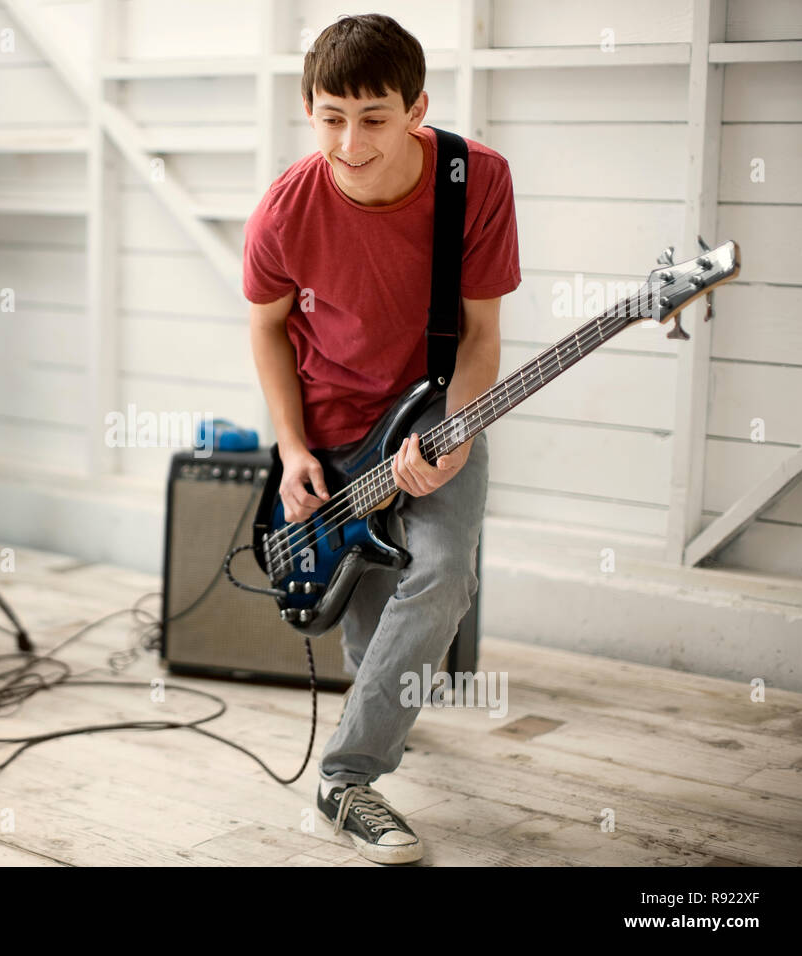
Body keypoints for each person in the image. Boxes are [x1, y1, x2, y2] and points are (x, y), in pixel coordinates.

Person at [243, 14, 520, 864]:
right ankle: (385, 709)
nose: (350, 141)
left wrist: (461, 432)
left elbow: (480, 336)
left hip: (437, 403)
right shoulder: (285, 209)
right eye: (330, 116)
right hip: (328, 429)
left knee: (439, 573)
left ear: (416, 109)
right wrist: (292, 451)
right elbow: (265, 331)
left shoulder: (478, 182)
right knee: (371, 628)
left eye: (373, 117)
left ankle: (345, 776)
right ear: (308, 109)